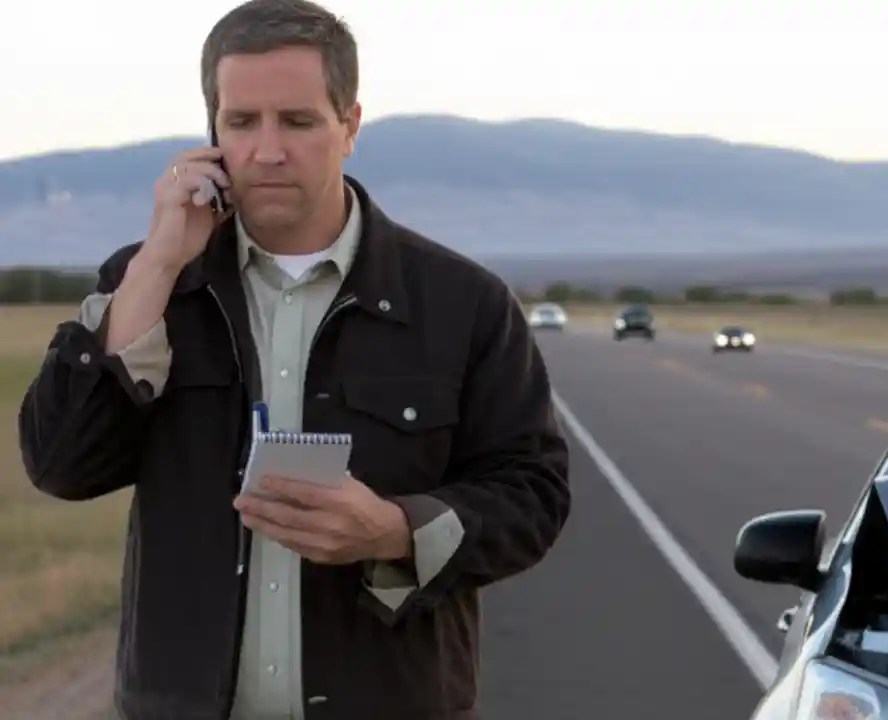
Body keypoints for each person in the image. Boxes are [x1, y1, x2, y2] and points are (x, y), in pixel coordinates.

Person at [16, 1, 570, 718]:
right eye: (242, 123)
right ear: (211, 133)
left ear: (350, 125)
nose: (267, 151)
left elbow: (534, 495)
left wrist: (396, 531)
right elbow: (60, 462)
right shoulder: (149, 285)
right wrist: (155, 266)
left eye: (299, 121)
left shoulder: (462, 302)